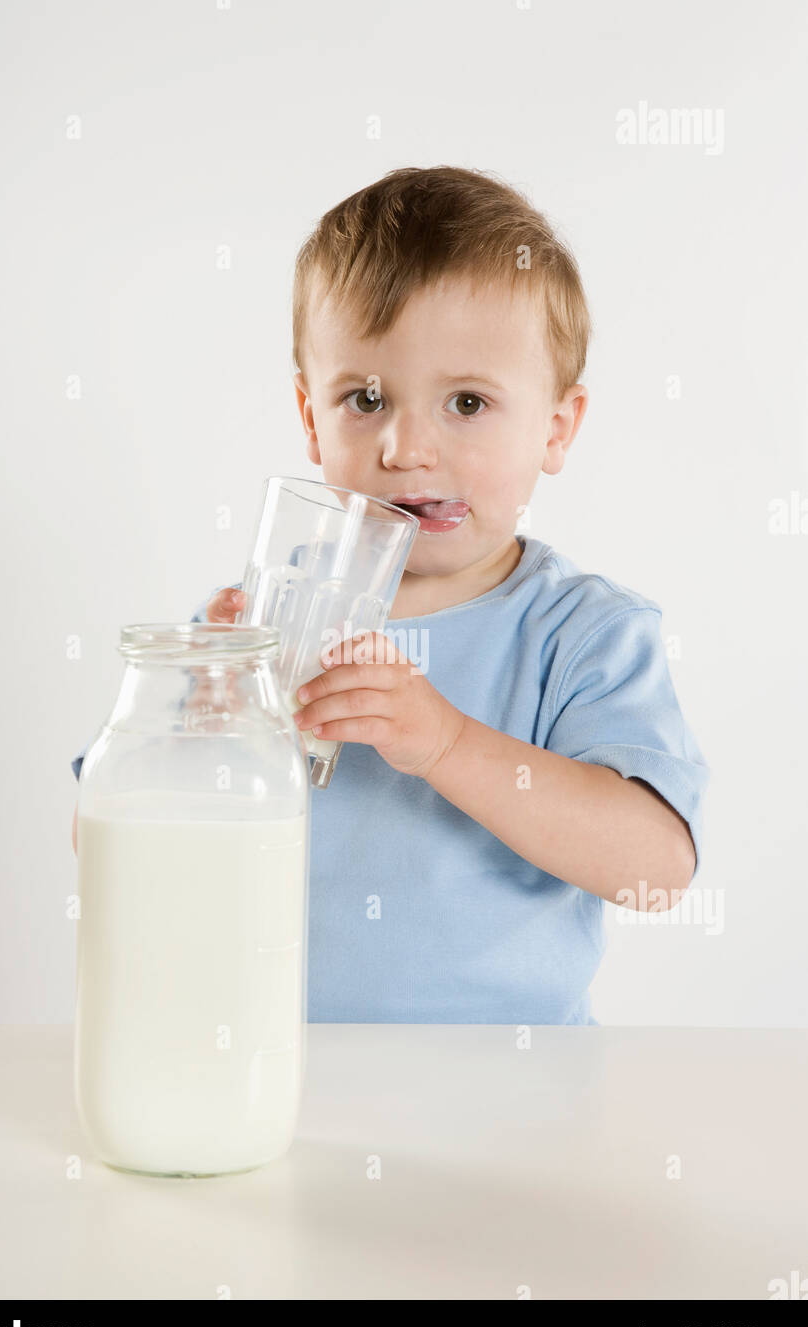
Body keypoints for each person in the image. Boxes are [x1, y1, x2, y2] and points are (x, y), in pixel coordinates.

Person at [72, 165, 709, 1024]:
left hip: (516, 1092)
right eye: (365, 399)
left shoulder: (583, 633)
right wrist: (204, 730)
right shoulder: (253, 627)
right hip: (275, 1071)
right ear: (311, 418)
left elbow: (657, 870)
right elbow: (101, 843)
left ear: (556, 428)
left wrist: (444, 744)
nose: (407, 448)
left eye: (469, 402)